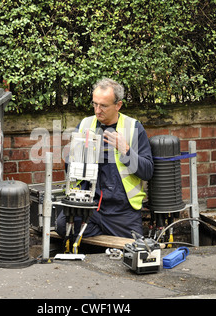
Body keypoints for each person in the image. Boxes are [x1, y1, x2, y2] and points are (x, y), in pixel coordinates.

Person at [56, 78, 154, 239]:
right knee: (62, 226)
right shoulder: (85, 125)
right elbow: (69, 167)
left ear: (118, 105)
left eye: (103, 106)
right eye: (95, 104)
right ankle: (105, 236)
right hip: (90, 206)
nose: (97, 110)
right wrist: (77, 157)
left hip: (122, 211)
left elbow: (147, 171)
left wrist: (126, 151)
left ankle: (104, 235)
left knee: (134, 245)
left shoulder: (133, 127)